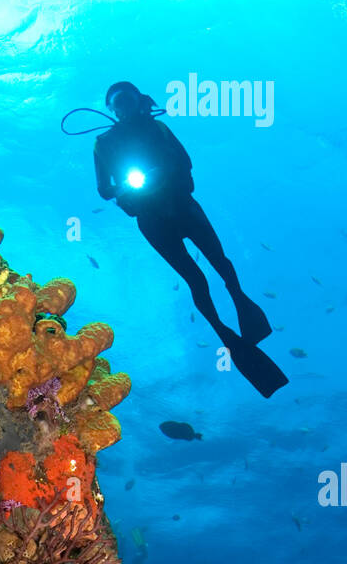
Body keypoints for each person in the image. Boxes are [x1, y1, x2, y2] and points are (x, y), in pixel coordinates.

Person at [93, 81, 287, 397]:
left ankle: (239, 299)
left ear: (138, 101)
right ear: (111, 108)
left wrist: (162, 172)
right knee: (195, 279)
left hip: (183, 205)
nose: (123, 107)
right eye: (117, 102)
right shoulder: (104, 143)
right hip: (152, 219)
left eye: (127, 99)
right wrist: (124, 188)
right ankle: (226, 335)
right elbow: (102, 188)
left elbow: (186, 161)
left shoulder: (159, 128)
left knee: (221, 263)